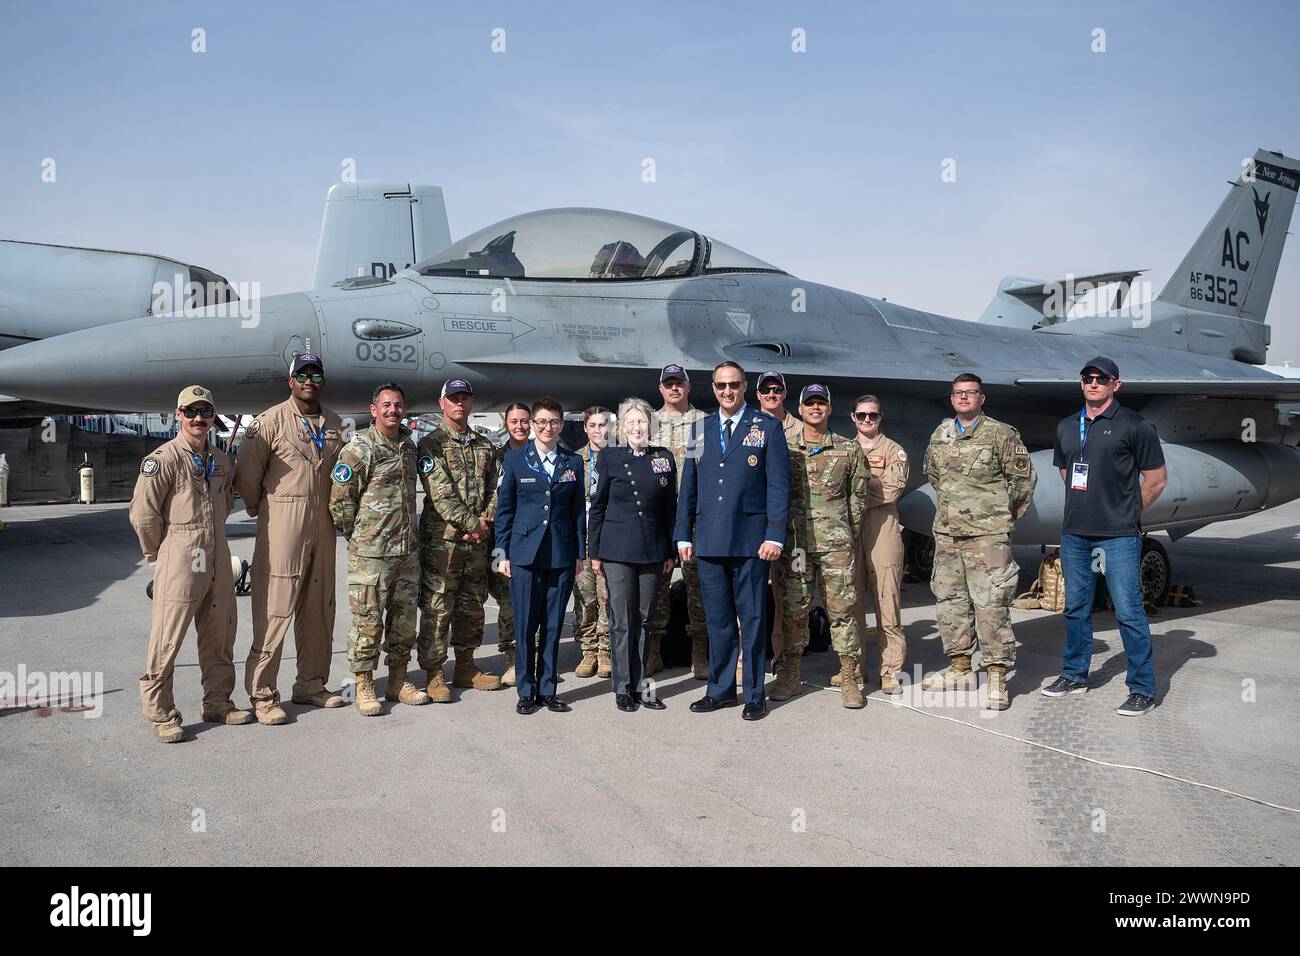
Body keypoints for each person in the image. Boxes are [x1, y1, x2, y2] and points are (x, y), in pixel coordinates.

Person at [1044, 357, 1167, 716]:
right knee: (1076, 609)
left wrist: (1125, 513)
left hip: (1119, 536)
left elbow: (1156, 479)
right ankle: (1074, 676)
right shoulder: (1068, 426)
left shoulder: (1135, 426)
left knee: (1128, 611)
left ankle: (1142, 689)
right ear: (1080, 383)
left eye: (1102, 378)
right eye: (1087, 378)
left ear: (1117, 384)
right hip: (1074, 534)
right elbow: (1067, 471)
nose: (1093, 383)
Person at [129, 386, 249, 742]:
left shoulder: (222, 460)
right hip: (181, 554)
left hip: (217, 554)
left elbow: (227, 504)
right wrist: (159, 554)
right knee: (168, 637)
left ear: (213, 417)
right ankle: (162, 713)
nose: (199, 419)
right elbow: (143, 515)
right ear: (178, 415)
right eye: (191, 412)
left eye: (205, 412)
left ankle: (217, 702)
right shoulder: (163, 459)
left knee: (220, 633)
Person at [235, 353, 347, 726]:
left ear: (323, 381)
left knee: (319, 608)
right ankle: (263, 693)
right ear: (291, 381)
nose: (309, 380)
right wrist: (268, 512)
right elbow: (248, 480)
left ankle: (311, 684)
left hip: (324, 525)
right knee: (274, 607)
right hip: (284, 521)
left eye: (315, 374)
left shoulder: (335, 424)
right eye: (302, 374)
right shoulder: (267, 423)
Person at [675, 362, 790, 721]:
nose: (728, 392)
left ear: (744, 387)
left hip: (751, 542)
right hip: (708, 541)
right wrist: (682, 534)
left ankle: (755, 693)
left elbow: (778, 486)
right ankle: (721, 689)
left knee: (752, 618)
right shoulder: (700, 429)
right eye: (722, 386)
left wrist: (774, 534)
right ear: (713, 388)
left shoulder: (767, 427)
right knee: (718, 621)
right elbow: (689, 487)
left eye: (735, 385)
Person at [922, 373, 1036, 711]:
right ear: (952, 397)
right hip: (947, 534)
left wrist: (998, 518)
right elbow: (934, 477)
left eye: (970, 393)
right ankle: (960, 668)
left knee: (990, 605)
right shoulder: (941, 433)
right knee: (950, 601)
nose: (964, 398)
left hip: (987, 536)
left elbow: (1022, 482)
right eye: (958, 393)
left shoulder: (1001, 434)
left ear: (981, 398)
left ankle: (997, 675)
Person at [328, 383, 427, 716]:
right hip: (371, 556)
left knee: (403, 623)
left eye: (398, 405)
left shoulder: (408, 447)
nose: (393, 410)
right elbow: (341, 501)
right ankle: (365, 685)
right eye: (386, 405)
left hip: (406, 554)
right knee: (368, 624)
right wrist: (360, 537)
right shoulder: (360, 449)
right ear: (374, 410)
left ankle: (398, 680)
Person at [773, 385, 869, 708]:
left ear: (829, 409)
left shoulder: (847, 449)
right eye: (809, 403)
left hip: (835, 545)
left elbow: (858, 496)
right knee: (794, 610)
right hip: (797, 545)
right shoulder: (784, 448)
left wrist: (845, 532)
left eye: (821, 403)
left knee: (842, 611)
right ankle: (791, 675)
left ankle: (849, 676)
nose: (815, 408)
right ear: (799, 409)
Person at [414, 379, 504, 702]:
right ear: (442, 404)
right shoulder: (430, 445)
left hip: (475, 545)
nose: (460, 404)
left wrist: (484, 520)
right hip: (443, 544)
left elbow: (498, 488)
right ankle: (434, 673)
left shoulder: (485, 446)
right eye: (453, 398)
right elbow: (440, 493)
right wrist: (471, 522)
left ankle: (465, 665)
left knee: (471, 606)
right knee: (437, 607)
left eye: (465, 398)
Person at [495, 397, 586, 714]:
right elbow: (504, 511)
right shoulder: (516, 461)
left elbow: (577, 513)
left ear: (561, 425)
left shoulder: (573, 463)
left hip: (560, 554)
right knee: (525, 625)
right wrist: (501, 552)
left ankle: (548, 688)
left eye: (554, 422)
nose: (548, 428)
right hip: (523, 554)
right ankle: (526, 689)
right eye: (542, 422)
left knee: (552, 625)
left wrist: (579, 553)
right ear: (532, 425)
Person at [587, 398, 677, 711]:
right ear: (622, 428)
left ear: (651, 426)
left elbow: (669, 511)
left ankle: (644, 688)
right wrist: (594, 552)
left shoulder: (663, 458)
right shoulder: (609, 458)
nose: (637, 427)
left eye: (642, 422)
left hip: (653, 550)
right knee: (623, 621)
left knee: (646, 620)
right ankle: (624, 688)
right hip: (617, 552)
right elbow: (597, 507)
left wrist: (669, 550)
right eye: (631, 422)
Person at [648, 364, 708, 677]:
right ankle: (654, 652)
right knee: (657, 587)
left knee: (697, 587)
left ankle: (700, 651)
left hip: (693, 517)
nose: (674, 389)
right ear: (660, 388)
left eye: (679, 383)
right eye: (668, 384)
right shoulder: (649, 423)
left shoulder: (703, 423)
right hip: (658, 517)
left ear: (688, 387)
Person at [849, 394, 910, 694]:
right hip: (851, 531)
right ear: (853, 418)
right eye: (861, 416)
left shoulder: (894, 451)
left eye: (872, 415)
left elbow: (891, 490)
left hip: (881, 528)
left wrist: (851, 495)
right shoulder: (845, 450)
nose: (867, 421)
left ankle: (890, 671)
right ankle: (855, 669)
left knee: (888, 601)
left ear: (880, 417)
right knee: (852, 603)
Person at [755, 370, 801, 670]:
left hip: (793, 529)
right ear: (757, 394)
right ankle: (749, 656)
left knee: (789, 595)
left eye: (777, 389)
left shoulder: (801, 428)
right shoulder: (747, 425)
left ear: (784, 393)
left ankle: (784, 660)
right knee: (750, 595)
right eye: (766, 390)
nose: (771, 394)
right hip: (755, 526)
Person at [484, 403, 532, 685]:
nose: (520, 426)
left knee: (532, 598)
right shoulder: (496, 458)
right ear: (505, 424)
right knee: (508, 601)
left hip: (532, 539)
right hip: (502, 539)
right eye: (514, 421)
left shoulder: (540, 456)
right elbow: (488, 494)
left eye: (524, 421)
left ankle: (532, 659)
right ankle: (513, 659)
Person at [573, 406, 612, 679]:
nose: (599, 431)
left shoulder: (620, 458)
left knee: (608, 597)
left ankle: (606, 652)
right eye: (593, 426)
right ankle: (588, 651)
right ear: (585, 428)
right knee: (585, 598)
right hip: (584, 540)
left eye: (604, 425)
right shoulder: (575, 461)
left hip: (611, 540)